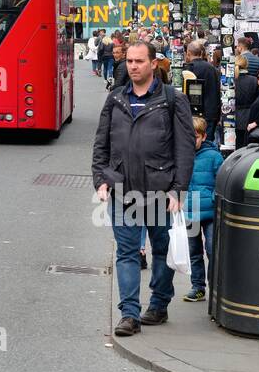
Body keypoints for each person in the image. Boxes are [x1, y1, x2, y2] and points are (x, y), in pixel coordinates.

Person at [92, 40, 195, 337]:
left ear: (153, 64)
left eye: (139, 61)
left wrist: (179, 189)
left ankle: (160, 303)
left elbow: (185, 148)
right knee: (126, 253)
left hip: (160, 192)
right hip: (122, 189)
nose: (133, 66)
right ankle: (129, 314)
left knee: (162, 251)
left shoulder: (173, 100)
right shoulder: (115, 99)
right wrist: (101, 178)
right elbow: (101, 143)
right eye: (130, 61)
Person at [183, 116, 223, 303]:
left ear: (204, 136)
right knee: (194, 251)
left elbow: (222, 182)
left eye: (196, 136)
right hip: (190, 211)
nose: (192, 140)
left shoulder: (214, 156)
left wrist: (214, 199)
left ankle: (215, 286)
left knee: (212, 249)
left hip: (210, 211)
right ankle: (198, 287)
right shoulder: (181, 155)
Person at [182, 41, 221, 138]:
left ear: (188, 53)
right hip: (211, 112)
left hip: (195, 114)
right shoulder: (212, 68)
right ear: (202, 53)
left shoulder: (189, 69)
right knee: (207, 141)